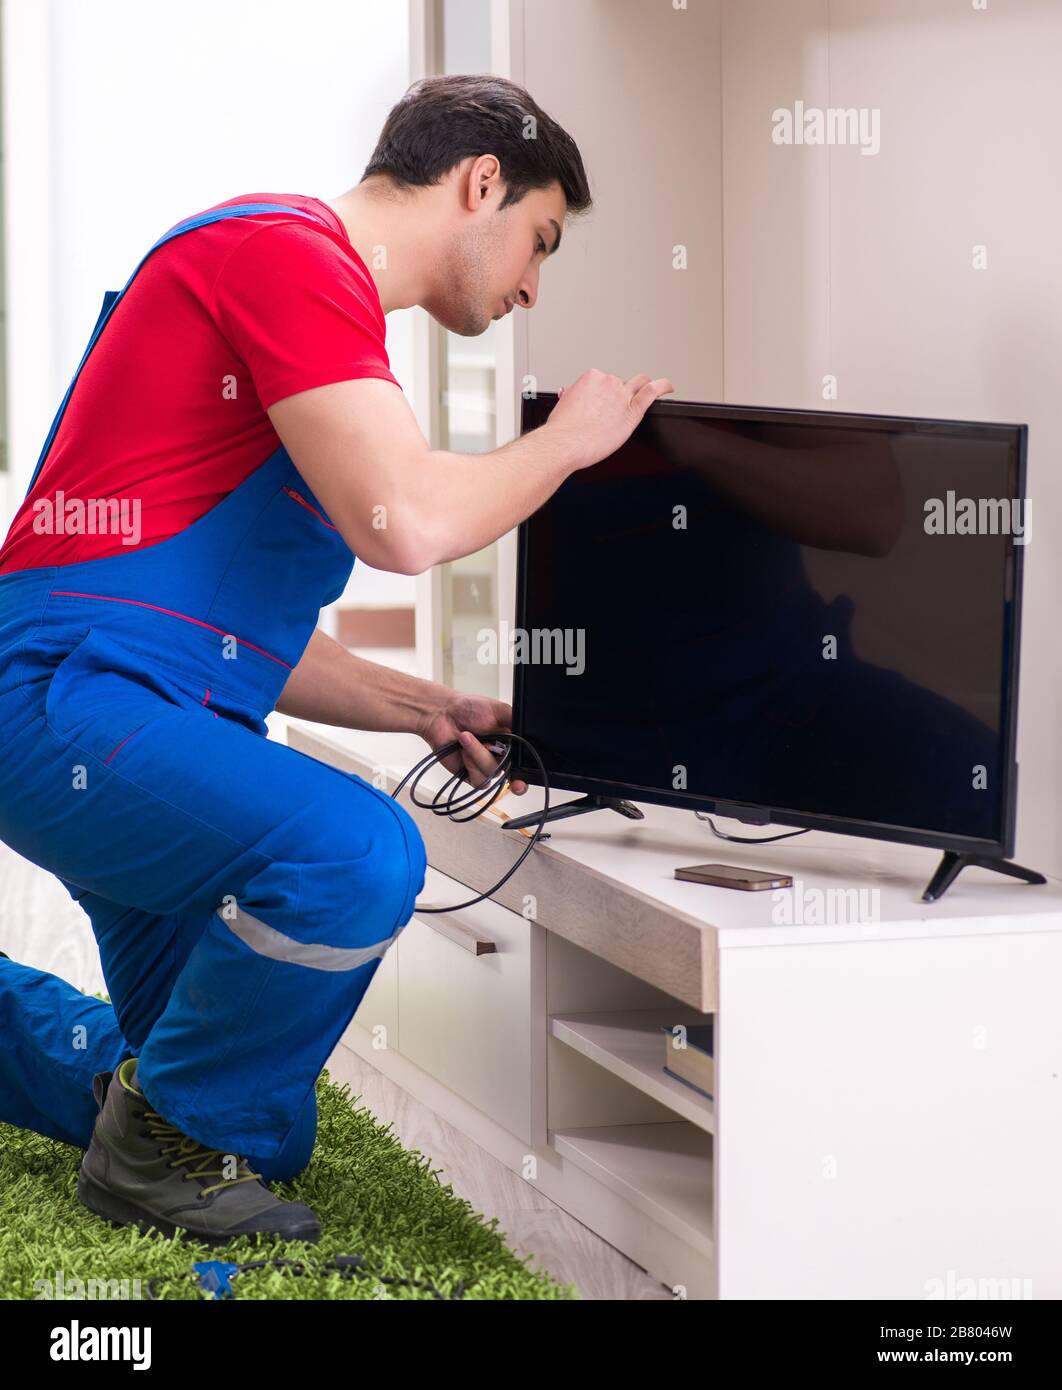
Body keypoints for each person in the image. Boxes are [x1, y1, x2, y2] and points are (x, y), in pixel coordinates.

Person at [0, 72, 673, 1243]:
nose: (528, 284)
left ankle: (138, 1113)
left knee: (236, 1115)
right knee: (358, 852)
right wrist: (570, 441)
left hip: (136, 707)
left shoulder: (297, 292)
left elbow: (219, 627)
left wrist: (419, 705)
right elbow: (404, 524)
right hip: (63, 703)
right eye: (539, 240)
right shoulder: (286, 254)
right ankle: (145, 1154)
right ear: (480, 183)